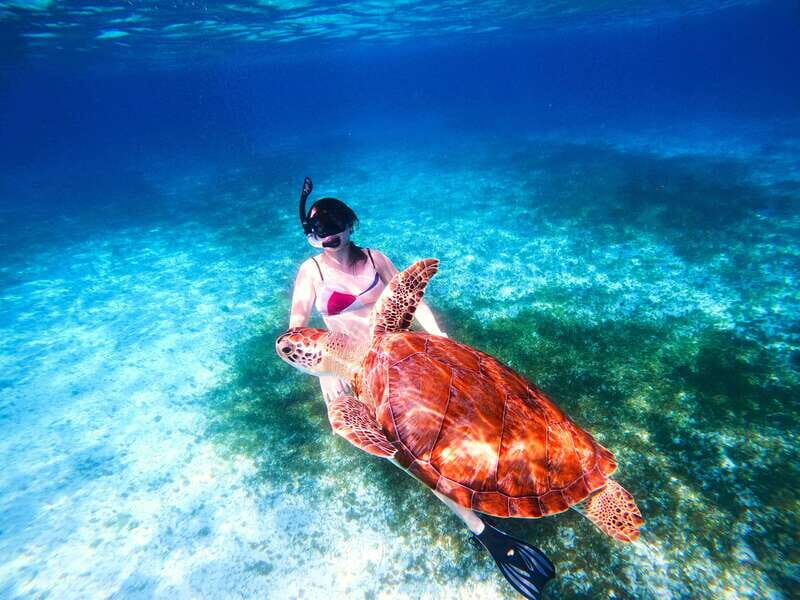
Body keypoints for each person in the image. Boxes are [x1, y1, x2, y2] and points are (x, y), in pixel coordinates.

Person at [287, 177, 554, 600]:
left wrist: (438, 336)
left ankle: (527, 471)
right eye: (318, 234)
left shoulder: (375, 259)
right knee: (408, 452)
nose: (327, 240)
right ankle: (484, 530)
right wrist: (326, 371)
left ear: (351, 225)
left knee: (470, 413)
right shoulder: (312, 271)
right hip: (348, 366)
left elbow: (415, 301)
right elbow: (297, 325)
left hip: (403, 355)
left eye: (334, 230)